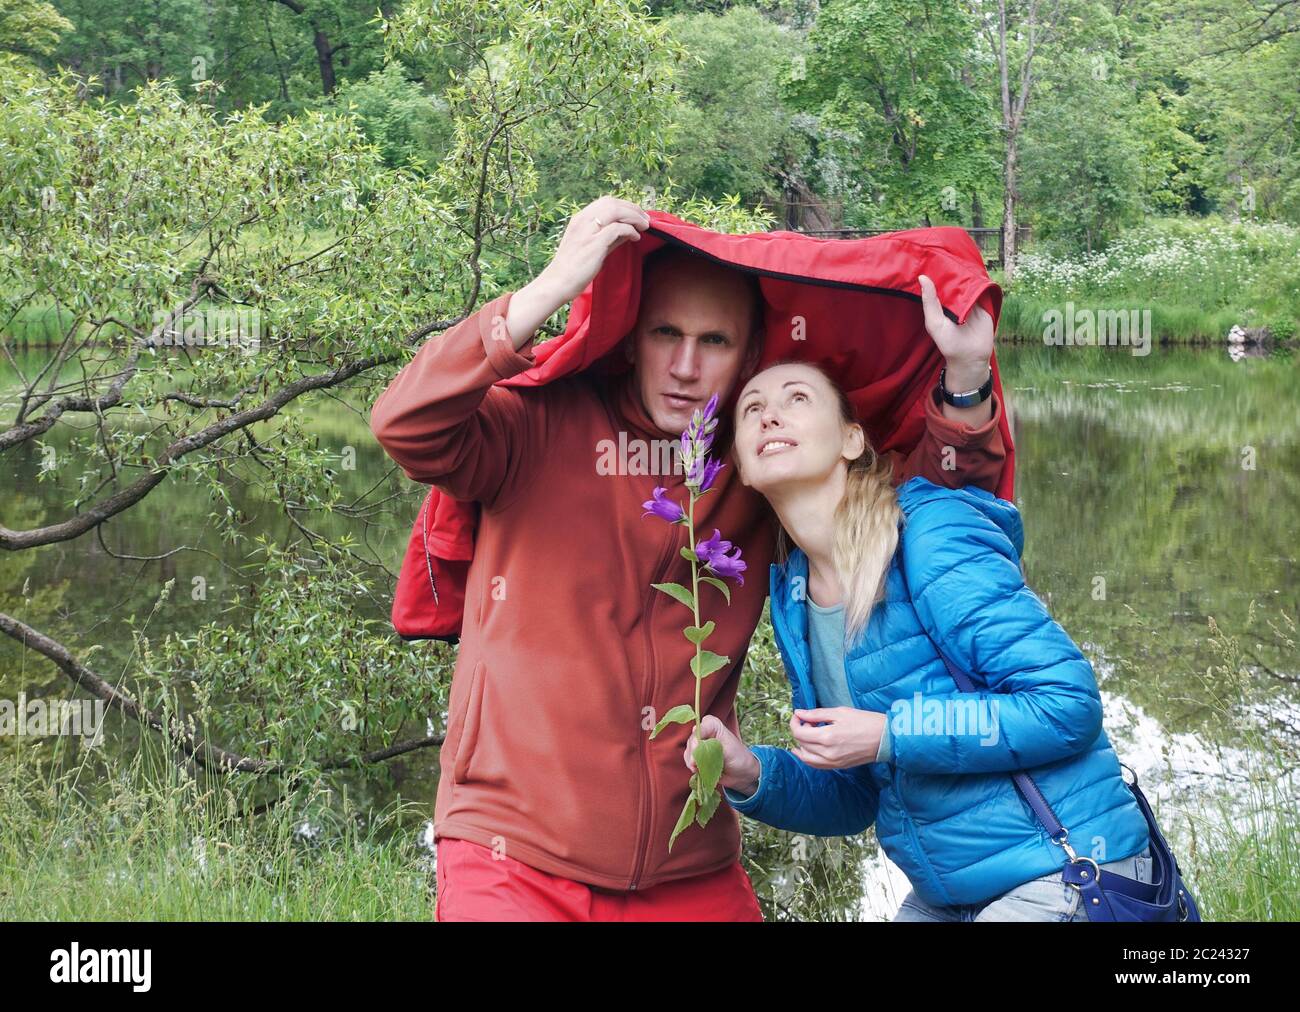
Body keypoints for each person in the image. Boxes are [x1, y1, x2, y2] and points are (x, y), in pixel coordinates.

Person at [369, 195, 1008, 921]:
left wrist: (965, 378)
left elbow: (935, 516)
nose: (683, 364)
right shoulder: (534, 425)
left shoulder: (760, 467)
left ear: (747, 359)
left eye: (714, 342)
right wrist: (552, 286)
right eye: (664, 333)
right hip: (512, 853)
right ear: (630, 336)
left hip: (688, 864)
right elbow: (406, 424)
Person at [685, 355, 1153, 921]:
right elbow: (857, 795)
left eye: (797, 399)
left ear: (852, 440)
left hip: (1063, 871)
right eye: (752, 409)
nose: (770, 416)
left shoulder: (927, 534)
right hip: (949, 897)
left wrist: (890, 734)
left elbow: (1067, 706)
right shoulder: (793, 598)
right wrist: (753, 773)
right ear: (741, 464)